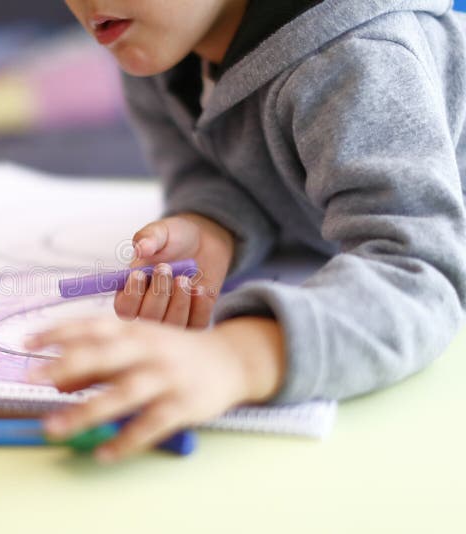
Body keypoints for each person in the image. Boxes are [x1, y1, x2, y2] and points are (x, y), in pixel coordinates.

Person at [25, 0, 466, 462]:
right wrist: (213, 226)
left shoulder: (358, 59)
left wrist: (239, 358)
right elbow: (224, 173)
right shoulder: (152, 44)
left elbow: (420, 272)